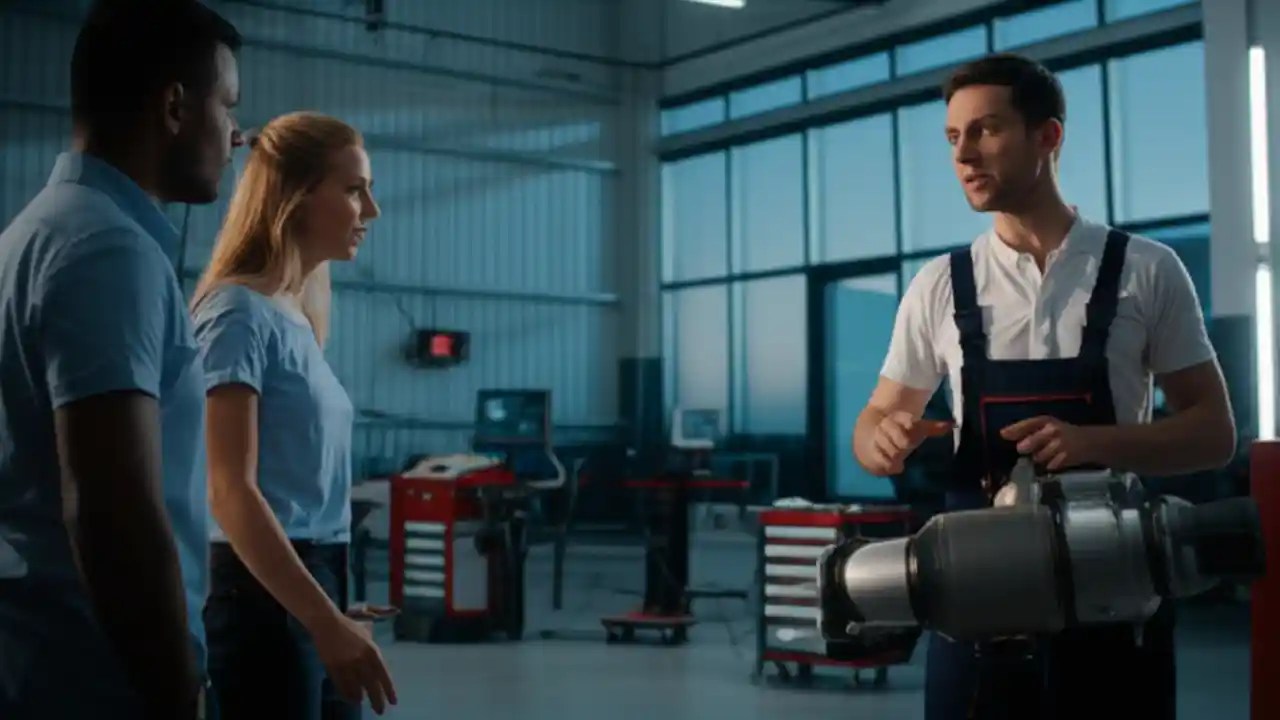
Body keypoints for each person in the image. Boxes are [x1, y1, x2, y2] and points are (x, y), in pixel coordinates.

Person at [852, 53, 1235, 720]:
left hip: (1112, 589)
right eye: (952, 137)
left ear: (1048, 136)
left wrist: (1093, 442)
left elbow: (1214, 434)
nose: (964, 154)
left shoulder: (1146, 270)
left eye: (986, 130)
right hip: (975, 596)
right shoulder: (941, 285)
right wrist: (880, 440)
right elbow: (876, 418)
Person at [0, 1, 242, 718]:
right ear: (173, 105)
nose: (235, 134)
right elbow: (113, 508)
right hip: (96, 674)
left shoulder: (34, 232)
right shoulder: (108, 251)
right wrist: (174, 692)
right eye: (226, 105)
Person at [190, 111, 398, 719]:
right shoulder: (236, 314)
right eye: (355, 189)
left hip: (311, 580)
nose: (371, 211)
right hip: (261, 596)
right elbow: (230, 492)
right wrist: (317, 616)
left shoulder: (295, 320)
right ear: (295, 196)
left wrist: (330, 608)